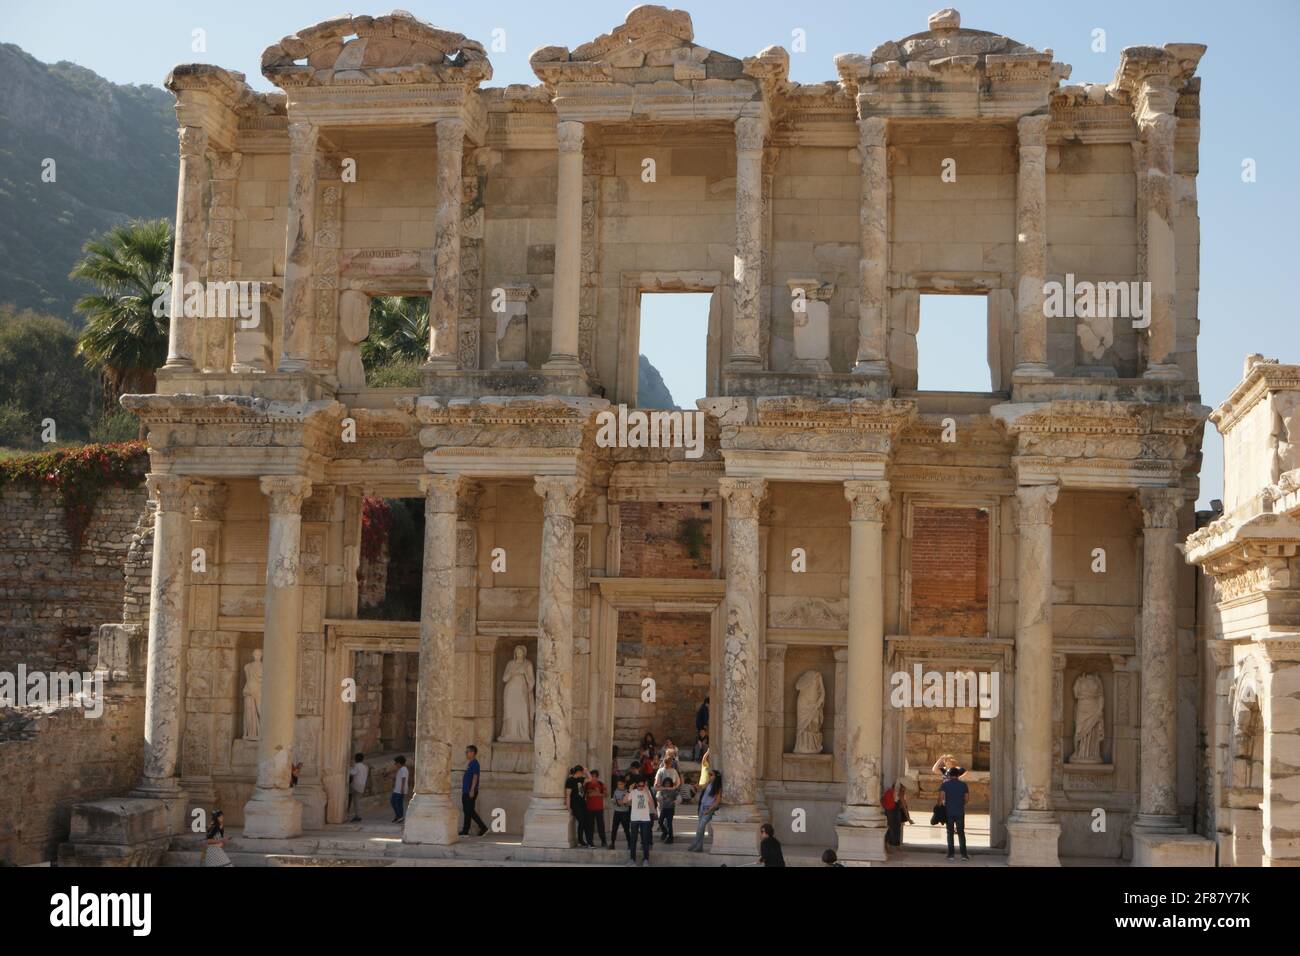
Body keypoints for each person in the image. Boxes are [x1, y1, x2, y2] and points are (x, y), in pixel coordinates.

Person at [939, 768, 970, 862]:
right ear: (958, 775)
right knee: (961, 833)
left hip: (949, 812)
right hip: (960, 811)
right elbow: (967, 799)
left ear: (949, 775)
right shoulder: (964, 785)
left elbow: (941, 797)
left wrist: (939, 807)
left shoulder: (945, 785)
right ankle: (964, 855)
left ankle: (951, 855)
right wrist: (960, 804)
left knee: (950, 833)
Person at [687, 769, 722, 853]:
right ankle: (698, 846)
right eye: (709, 774)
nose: (709, 776)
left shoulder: (718, 788)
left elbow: (717, 801)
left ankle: (696, 844)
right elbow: (700, 788)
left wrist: (709, 809)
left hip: (708, 809)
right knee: (700, 828)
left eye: (711, 775)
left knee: (700, 827)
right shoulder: (709, 784)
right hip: (702, 807)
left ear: (716, 777)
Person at [624, 775, 654, 866]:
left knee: (645, 840)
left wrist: (647, 792)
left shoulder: (647, 792)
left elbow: (651, 804)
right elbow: (624, 801)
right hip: (635, 819)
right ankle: (632, 859)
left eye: (642, 785)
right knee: (633, 840)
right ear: (636, 785)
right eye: (639, 785)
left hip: (645, 819)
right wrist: (629, 790)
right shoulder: (633, 792)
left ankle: (646, 860)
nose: (641, 787)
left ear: (644, 785)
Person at [460, 745, 488, 836]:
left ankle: (483, 827)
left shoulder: (474, 763)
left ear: (472, 753)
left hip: (470, 792)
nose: (466, 753)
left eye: (467, 752)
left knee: (470, 811)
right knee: (467, 811)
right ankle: (465, 831)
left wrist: (472, 790)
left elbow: (475, 777)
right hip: (466, 791)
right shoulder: (471, 763)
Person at [654, 757, 681, 843]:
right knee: (662, 819)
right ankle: (665, 832)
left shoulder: (664, 771)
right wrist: (670, 788)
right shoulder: (664, 771)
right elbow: (678, 783)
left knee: (668, 820)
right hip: (663, 796)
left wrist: (671, 789)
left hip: (669, 798)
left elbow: (656, 784)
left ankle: (668, 835)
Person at [566, 765, 591, 847]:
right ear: (578, 772)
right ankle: (580, 840)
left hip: (582, 803)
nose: (583, 774)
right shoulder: (570, 781)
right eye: (582, 772)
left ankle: (585, 841)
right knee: (582, 821)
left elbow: (590, 779)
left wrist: (587, 771)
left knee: (586, 822)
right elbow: (568, 795)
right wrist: (569, 807)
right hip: (575, 804)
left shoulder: (581, 779)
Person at [882, 780, 910, 848]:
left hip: (888, 810)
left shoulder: (891, 791)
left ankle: (887, 845)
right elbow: (903, 805)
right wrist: (908, 818)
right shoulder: (900, 793)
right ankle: (893, 845)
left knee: (889, 827)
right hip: (894, 812)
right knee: (895, 828)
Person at [585, 768, 608, 847]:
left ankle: (603, 841)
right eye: (592, 776)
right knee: (589, 826)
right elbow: (586, 794)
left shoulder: (601, 784)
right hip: (589, 809)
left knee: (601, 825)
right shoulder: (587, 784)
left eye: (595, 776)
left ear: (597, 777)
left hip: (599, 808)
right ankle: (590, 842)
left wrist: (597, 793)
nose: (593, 777)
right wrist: (596, 793)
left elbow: (606, 794)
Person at [609, 775, 632, 850]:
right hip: (617, 812)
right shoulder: (615, 791)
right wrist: (615, 801)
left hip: (625, 813)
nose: (620, 785)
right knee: (614, 829)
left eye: (621, 784)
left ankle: (629, 843)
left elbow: (630, 803)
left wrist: (624, 802)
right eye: (618, 784)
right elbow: (613, 800)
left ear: (624, 783)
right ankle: (612, 843)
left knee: (626, 829)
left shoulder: (627, 792)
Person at [346, 752, 368, 822]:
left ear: (356, 759)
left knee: (350, 798)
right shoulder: (365, 766)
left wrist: (347, 768)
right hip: (362, 786)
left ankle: (352, 814)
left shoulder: (357, 766)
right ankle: (357, 815)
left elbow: (352, 773)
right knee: (357, 801)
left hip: (355, 786)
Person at [391, 755, 408, 824]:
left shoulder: (403, 769)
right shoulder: (401, 769)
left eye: (396, 763)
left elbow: (403, 779)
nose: (395, 765)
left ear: (399, 763)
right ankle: (399, 816)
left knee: (394, 802)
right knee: (398, 803)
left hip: (399, 790)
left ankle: (399, 816)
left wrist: (402, 788)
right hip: (398, 789)